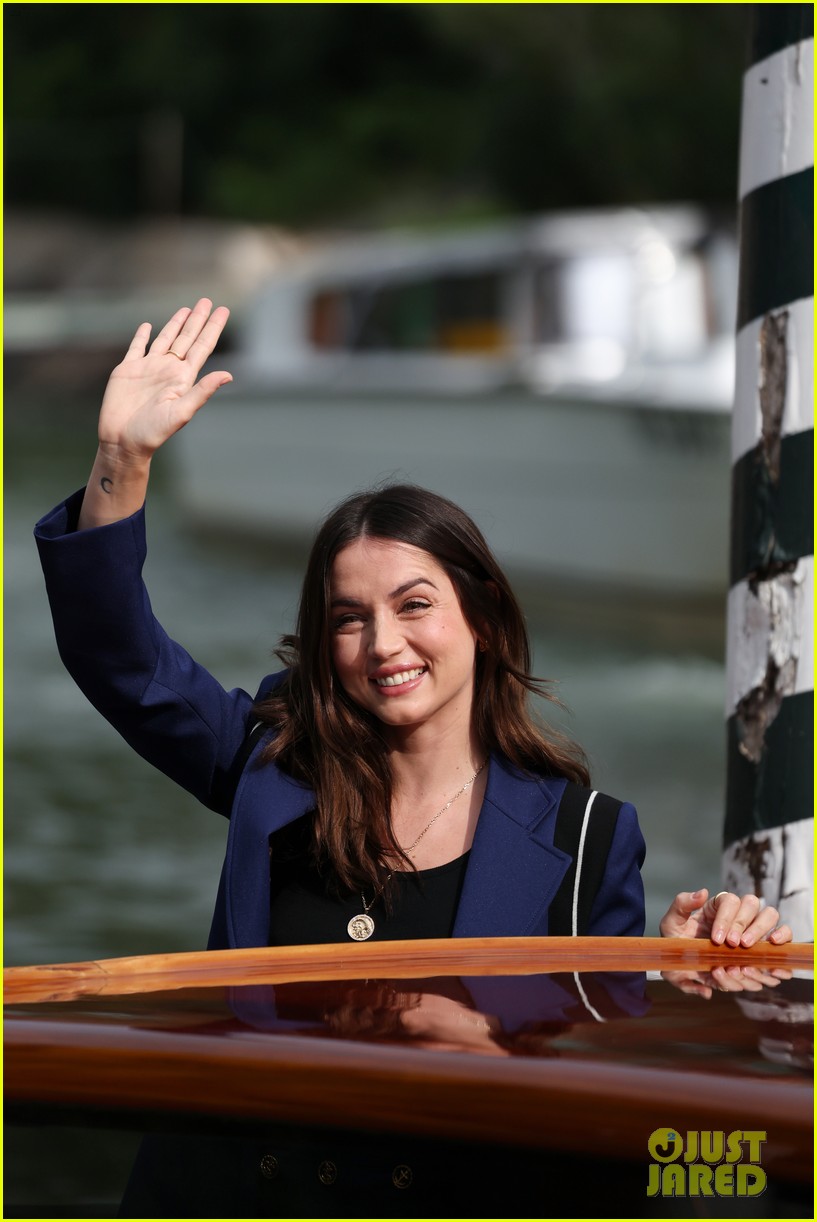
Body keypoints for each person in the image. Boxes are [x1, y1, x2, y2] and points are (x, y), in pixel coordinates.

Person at [34, 299, 793, 1214]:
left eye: (414, 604)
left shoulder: (588, 835)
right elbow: (120, 660)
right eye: (348, 619)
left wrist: (686, 977)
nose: (382, 642)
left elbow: (599, 1080)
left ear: (480, 615)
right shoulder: (271, 760)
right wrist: (123, 462)